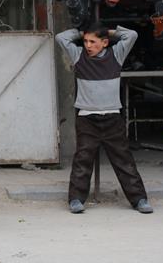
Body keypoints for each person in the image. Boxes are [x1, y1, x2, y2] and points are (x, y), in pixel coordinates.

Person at [55, 22, 153, 215]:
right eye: (85, 41)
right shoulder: (78, 56)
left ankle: (139, 199)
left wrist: (108, 31)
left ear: (105, 43)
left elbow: (131, 34)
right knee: (83, 159)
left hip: (112, 118)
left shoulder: (116, 55)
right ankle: (76, 199)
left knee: (123, 159)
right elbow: (61, 37)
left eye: (93, 41)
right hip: (87, 118)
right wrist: (82, 32)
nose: (88, 45)